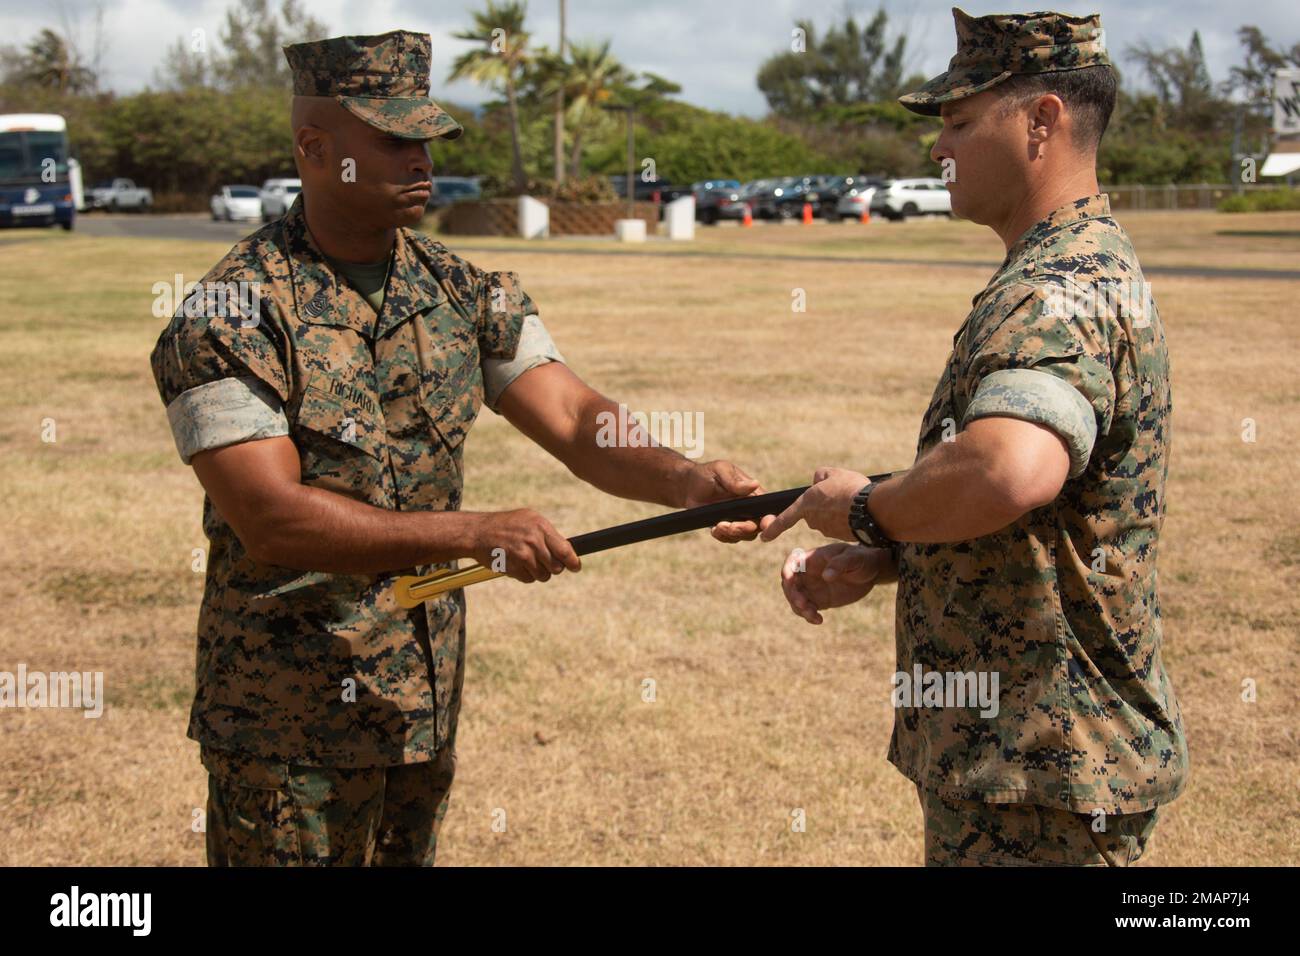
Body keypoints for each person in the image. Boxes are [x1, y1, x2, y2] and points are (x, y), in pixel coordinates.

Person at [149, 30, 761, 866]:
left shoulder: (459, 288)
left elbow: (579, 420)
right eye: (394, 140)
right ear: (314, 147)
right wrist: (471, 533)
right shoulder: (229, 315)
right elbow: (270, 519)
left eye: (427, 138)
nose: (420, 160)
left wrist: (689, 481)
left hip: (418, 703)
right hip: (286, 727)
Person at [760, 8, 1188, 866]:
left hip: (1041, 775)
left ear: (1042, 121)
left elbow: (1006, 469)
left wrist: (870, 511)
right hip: (1029, 764)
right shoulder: (1075, 264)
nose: (937, 144)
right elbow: (1033, 508)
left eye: (958, 120)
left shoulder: (1055, 288)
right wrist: (896, 555)